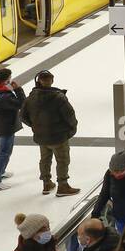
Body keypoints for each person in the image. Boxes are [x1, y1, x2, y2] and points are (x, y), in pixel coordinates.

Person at [20, 69, 80, 197]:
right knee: (62, 160)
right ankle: (63, 186)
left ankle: (46, 183)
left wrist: (36, 126)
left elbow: (23, 116)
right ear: (52, 81)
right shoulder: (59, 97)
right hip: (59, 136)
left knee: (45, 160)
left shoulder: (31, 97)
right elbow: (70, 116)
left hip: (42, 136)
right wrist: (71, 129)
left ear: (39, 82)